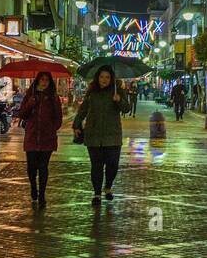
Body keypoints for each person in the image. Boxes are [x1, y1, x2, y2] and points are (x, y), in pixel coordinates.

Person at [73, 66, 126, 203]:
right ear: (98, 77)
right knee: (96, 165)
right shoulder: (92, 92)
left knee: (112, 164)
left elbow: (127, 108)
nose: (104, 80)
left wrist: (118, 100)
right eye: (102, 77)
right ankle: (97, 193)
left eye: (107, 77)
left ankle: (108, 186)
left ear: (111, 79)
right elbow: (83, 110)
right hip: (94, 134)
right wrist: (77, 124)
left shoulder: (117, 91)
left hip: (112, 135)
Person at [16, 72, 62, 208]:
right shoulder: (30, 95)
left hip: (47, 137)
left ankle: (42, 194)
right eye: (42, 79)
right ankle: (33, 187)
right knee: (31, 167)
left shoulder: (53, 97)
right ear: (37, 81)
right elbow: (22, 114)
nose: (44, 82)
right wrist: (31, 103)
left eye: (47, 80)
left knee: (43, 167)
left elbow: (58, 116)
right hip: (32, 136)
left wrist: (53, 128)